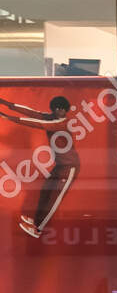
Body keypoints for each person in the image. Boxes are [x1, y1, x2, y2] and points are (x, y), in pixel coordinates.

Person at [0, 94, 78, 237]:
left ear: (65, 110)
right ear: (53, 109)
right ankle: (36, 221)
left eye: (62, 109)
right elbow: (31, 113)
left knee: (53, 199)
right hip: (59, 165)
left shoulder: (62, 123)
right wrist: (5, 103)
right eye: (56, 108)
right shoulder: (51, 117)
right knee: (45, 192)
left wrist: (8, 118)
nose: (59, 111)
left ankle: (38, 229)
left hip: (70, 167)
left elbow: (37, 123)